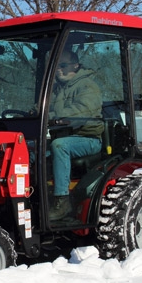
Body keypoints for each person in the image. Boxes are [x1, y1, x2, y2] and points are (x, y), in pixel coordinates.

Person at [48, 50, 103, 221]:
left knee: (59, 146)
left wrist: (52, 117)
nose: (59, 69)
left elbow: (81, 112)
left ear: (76, 66)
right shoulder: (57, 89)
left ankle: (62, 200)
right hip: (64, 135)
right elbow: (43, 108)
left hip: (88, 138)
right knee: (29, 149)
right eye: (57, 66)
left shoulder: (87, 86)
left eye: (63, 65)